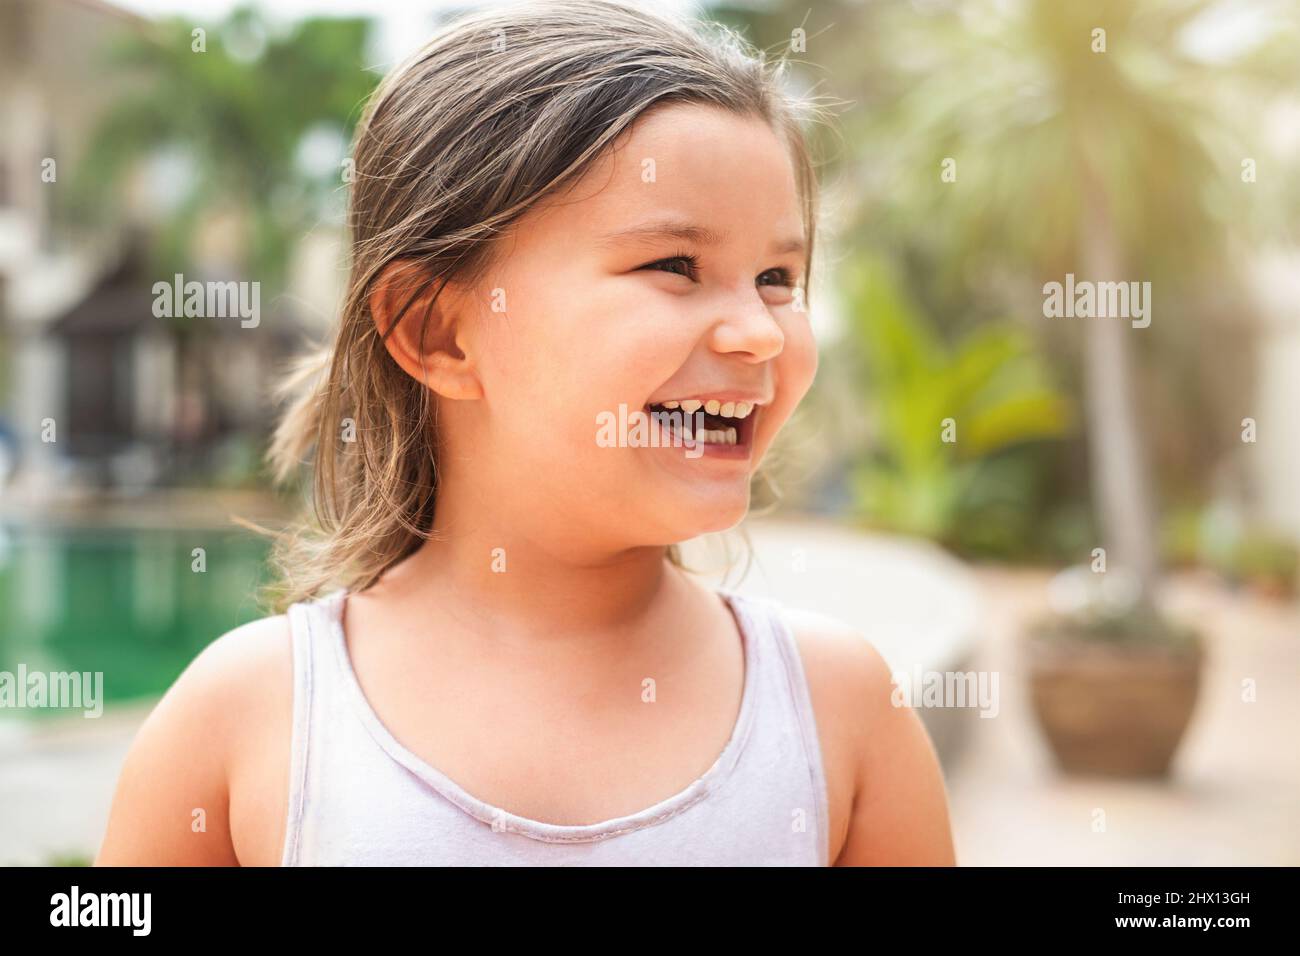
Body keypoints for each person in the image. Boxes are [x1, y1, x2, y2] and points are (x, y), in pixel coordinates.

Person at [96, 0, 955, 866]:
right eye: (674, 266)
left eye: (777, 277)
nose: (761, 332)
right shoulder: (249, 722)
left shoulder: (839, 714)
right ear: (439, 332)